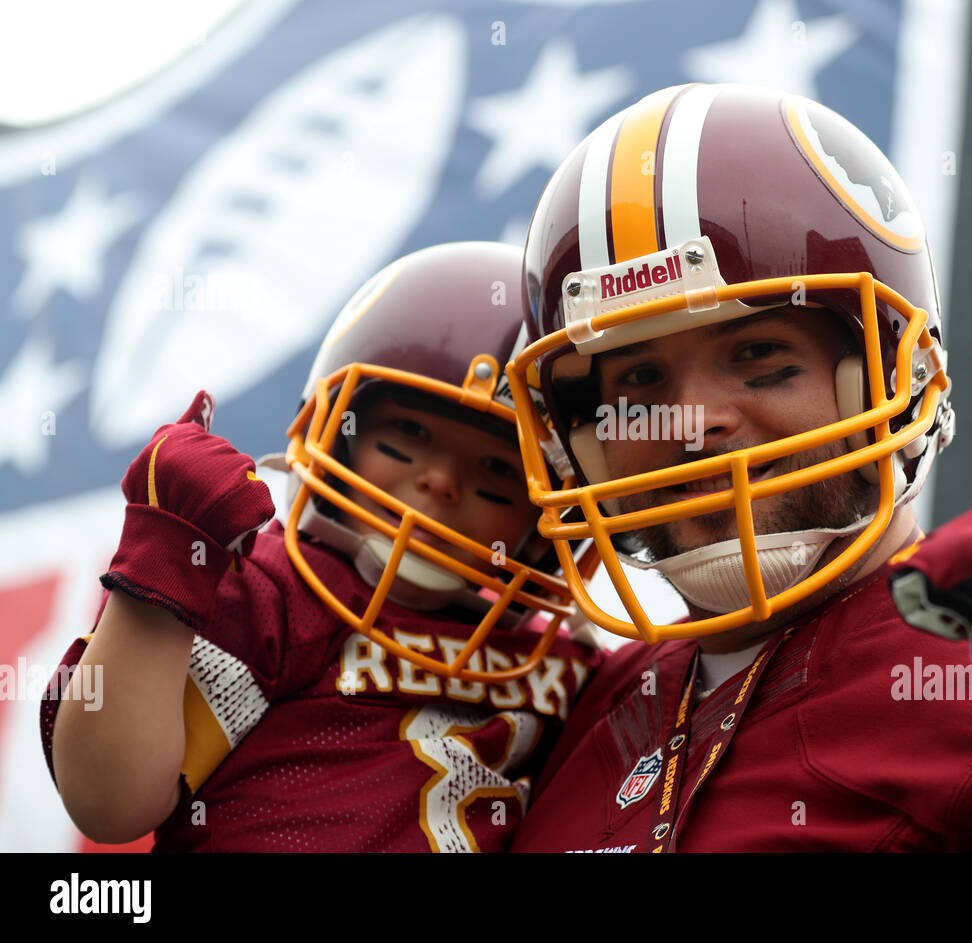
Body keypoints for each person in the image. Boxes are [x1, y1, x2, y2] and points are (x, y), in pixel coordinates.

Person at [503, 84, 972, 852]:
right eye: (639, 382)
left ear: (892, 378)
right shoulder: (576, 707)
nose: (692, 421)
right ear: (581, 439)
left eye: (759, 356)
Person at [42, 242, 599, 852]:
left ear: (549, 511)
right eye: (406, 436)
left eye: (497, 469)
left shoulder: (563, 661)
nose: (441, 480)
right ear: (334, 434)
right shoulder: (276, 594)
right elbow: (109, 801)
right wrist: (166, 563)